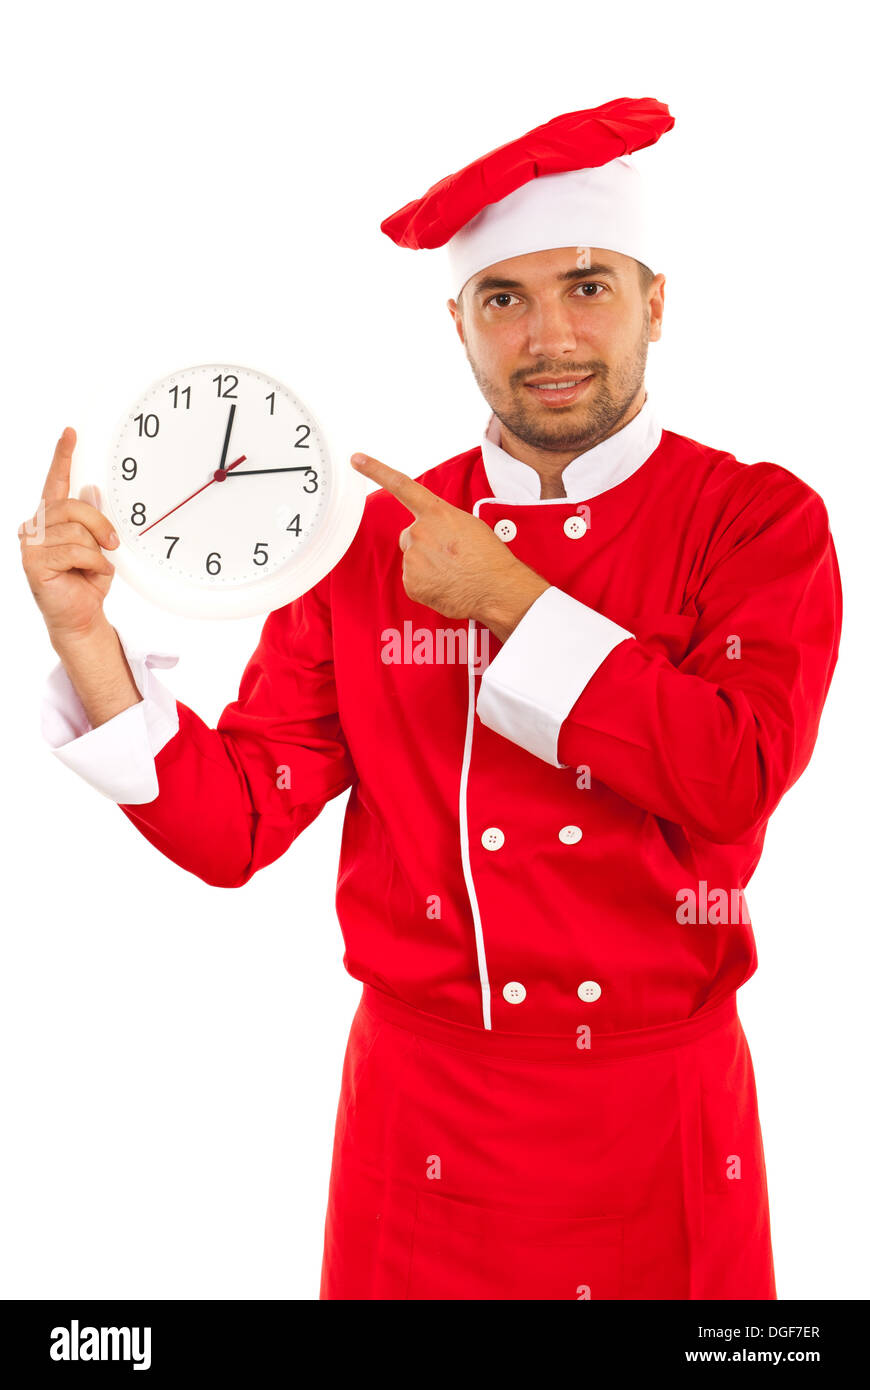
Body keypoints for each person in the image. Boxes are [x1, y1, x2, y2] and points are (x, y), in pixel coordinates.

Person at [21, 97, 842, 1300]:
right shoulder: (369, 542)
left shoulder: (756, 520)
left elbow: (733, 774)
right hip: (425, 1112)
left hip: (659, 1108)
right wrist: (88, 635)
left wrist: (511, 597)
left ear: (656, 303)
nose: (549, 335)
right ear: (457, 323)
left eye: (587, 286)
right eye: (502, 299)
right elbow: (236, 824)